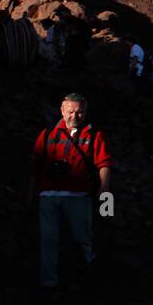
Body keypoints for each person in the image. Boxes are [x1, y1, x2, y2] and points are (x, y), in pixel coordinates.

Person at [29, 93, 112, 288]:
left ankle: (85, 274)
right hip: (48, 195)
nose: (74, 116)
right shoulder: (47, 134)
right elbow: (35, 166)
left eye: (80, 112)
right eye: (70, 112)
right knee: (48, 240)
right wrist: (31, 194)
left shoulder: (94, 135)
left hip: (78, 195)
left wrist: (104, 190)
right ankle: (50, 282)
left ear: (86, 112)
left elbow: (104, 164)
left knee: (81, 236)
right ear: (62, 111)